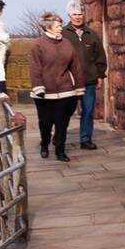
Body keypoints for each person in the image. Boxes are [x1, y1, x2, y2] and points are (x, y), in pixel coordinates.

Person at [29, 11, 84, 161]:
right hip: (45, 92)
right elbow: (35, 68)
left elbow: (76, 67)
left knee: (62, 123)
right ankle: (45, 144)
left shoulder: (67, 43)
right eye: (58, 25)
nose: (61, 28)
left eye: (60, 25)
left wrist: (79, 87)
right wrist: (38, 87)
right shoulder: (38, 44)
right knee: (45, 123)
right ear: (49, 28)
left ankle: (60, 150)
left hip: (66, 91)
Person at [62, 3, 107, 151]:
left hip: (89, 81)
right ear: (69, 16)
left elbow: (100, 56)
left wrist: (100, 75)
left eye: (80, 14)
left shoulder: (91, 34)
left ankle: (85, 139)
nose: (78, 17)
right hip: (69, 81)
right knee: (66, 112)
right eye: (75, 14)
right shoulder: (63, 34)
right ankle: (59, 137)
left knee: (88, 111)